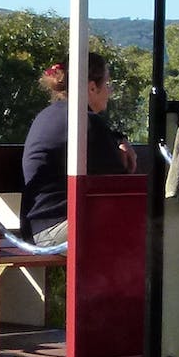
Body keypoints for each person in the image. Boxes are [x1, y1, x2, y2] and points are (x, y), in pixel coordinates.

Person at [21, 53, 137, 246]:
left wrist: (117, 137)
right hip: (55, 229)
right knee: (142, 226)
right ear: (92, 87)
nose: (110, 91)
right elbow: (119, 180)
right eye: (107, 84)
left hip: (37, 228)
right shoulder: (84, 120)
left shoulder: (52, 114)